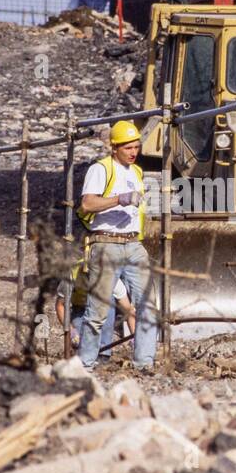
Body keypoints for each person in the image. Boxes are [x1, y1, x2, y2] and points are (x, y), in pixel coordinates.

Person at [76, 120, 158, 369]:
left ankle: (144, 362)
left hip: (133, 244)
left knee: (148, 304)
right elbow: (87, 204)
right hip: (106, 243)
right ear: (115, 148)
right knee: (98, 308)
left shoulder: (137, 172)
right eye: (128, 148)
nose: (134, 152)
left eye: (136, 147)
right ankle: (87, 363)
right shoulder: (101, 169)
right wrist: (119, 199)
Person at [55, 256, 136, 358]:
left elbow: (128, 310)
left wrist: (135, 337)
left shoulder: (111, 279)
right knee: (80, 346)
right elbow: (60, 306)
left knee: (109, 302)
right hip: (80, 309)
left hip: (102, 308)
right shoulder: (71, 277)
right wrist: (71, 331)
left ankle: (104, 353)